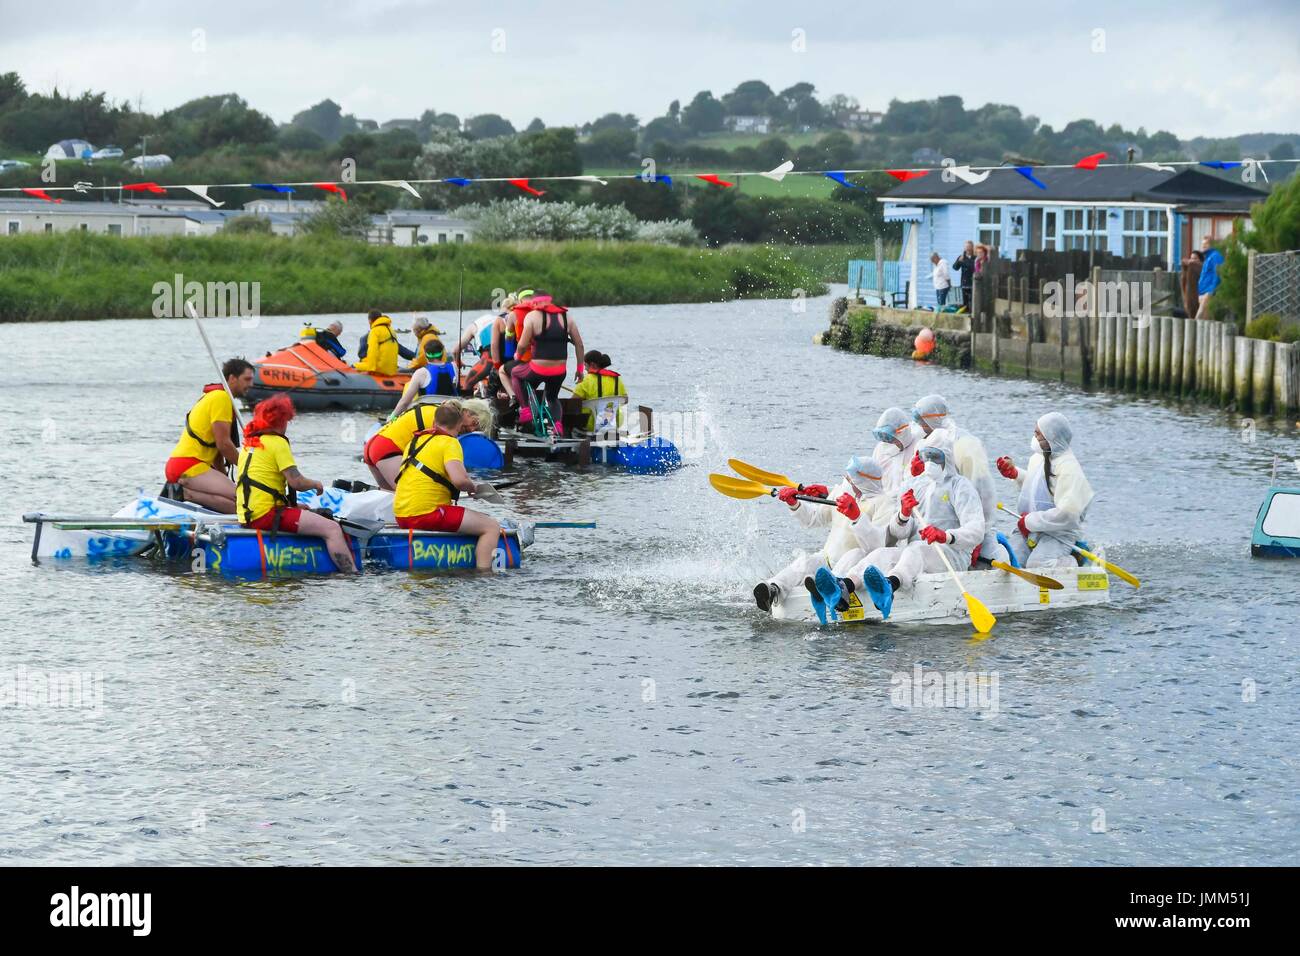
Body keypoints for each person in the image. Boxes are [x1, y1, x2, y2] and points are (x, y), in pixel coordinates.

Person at [824, 432, 985, 620]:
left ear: (947, 457)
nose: (930, 462)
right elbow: (900, 533)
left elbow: (976, 529)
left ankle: (889, 586)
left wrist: (946, 536)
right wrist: (904, 515)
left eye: (936, 457)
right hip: (915, 552)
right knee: (881, 554)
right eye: (927, 456)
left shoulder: (960, 486)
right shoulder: (919, 485)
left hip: (951, 554)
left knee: (916, 549)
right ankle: (845, 587)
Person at [751, 453, 892, 615]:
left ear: (863, 480)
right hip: (828, 558)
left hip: (855, 565)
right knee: (805, 562)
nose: (848, 481)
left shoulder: (884, 503)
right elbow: (813, 519)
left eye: (851, 479)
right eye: (848, 478)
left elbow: (878, 545)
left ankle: (834, 590)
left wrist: (856, 517)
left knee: (854, 553)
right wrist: (794, 504)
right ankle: (773, 589)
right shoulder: (841, 494)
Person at [235, 394, 356, 573]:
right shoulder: (277, 442)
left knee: (305, 510)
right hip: (266, 515)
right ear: (281, 420)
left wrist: (294, 506)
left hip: (247, 514)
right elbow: (296, 482)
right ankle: (351, 574)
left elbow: (264, 485)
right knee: (332, 528)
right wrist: (316, 484)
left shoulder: (250, 442)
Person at [392, 401, 502, 571]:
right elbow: (459, 480)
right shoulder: (450, 443)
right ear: (459, 424)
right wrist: (472, 486)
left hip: (401, 514)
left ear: (435, 422)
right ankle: (485, 575)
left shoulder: (414, 441)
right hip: (427, 514)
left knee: (462, 516)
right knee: (491, 526)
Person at [908, 394, 1006, 565]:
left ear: (934, 418)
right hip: (938, 526)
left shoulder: (965, 443)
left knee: (988, 562)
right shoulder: (925, 443)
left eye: (921, 419)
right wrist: (915, 475)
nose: (919, 425)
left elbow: (984, 493)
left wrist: (977, 540)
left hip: (971, 521)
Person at [995, 412, 1094, 569]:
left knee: (1038, 565)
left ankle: (1075, 560)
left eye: (1038, 433)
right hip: (1031, 527)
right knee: (1008, 562)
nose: (1034, 435)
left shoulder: (1069, 468)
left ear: (1051, 437)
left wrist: (1029, 521)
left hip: (1059, 532)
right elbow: (1038, 490)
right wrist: (1016, 474)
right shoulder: (1038, 458)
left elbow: (1068, 514)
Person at [163, 358, 255, 512]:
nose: (251, 385)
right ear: (232, 378)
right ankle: (185, 494)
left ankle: (184, 494)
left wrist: (224, 480)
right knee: (247, 499)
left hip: (183, 465)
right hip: (189, 465)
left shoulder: (214, 396)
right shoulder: (222, 398)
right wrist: (252, 468)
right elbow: (224, 445)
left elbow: (217, 453)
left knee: (237, 506)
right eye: (247, 379)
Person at [364, 397, 494, 490]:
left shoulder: (440, 411)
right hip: (388, 448)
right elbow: (434, 460)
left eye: (476, 430)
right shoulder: (445, 422)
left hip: (374, 445)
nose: (471, 430)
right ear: (467, 411)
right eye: (474, 423)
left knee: (392, 498)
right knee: (410, 496)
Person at [512, 291, 585, 435]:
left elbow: (522, 345)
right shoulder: (567, 317)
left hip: (537, 369)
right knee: (552, 397)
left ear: (535, 302)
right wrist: (580, 369)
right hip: (559, 371)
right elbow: (579, 345)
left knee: (516, 374)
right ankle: (557, 426)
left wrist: (517, 356)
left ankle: (526, 411)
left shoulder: (532, 317)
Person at [569, 350, 628, 434]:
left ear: (592, 364)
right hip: (615, 422)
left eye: (585, 365)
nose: (585, 369)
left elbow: (572, 403)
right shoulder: (616, 379)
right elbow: (625, 400)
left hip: (592, 424)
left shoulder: (586, 380)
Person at [392, 339, 459, 411]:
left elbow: (404, 402)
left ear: (425, 355)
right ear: (443, 354)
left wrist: (391, 418)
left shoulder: (421, 373)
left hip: (429, 413)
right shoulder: (454, 367)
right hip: (451, 412)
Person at [493, 289, 535, 403]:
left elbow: (494, 345)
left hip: (514, 358)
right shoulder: (538, 314)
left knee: (501, 372)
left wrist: (497, 366)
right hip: (537, 359)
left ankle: (513, 397)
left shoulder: (501, 319)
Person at [871, 406, 923, 495]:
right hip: (885, 503)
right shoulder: (881, 449)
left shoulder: (918, 445)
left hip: (910, 500)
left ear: (903, 432)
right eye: (886, 439)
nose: (891, 443)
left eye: (892, 438)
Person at [356, 310, 416, 374]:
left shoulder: (368, 335)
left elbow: (363, 355)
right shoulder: (391, 332)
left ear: (370, 321)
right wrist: (416, 357)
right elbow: (402, 350)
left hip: (377, 368)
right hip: (392, 369)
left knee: (354, 366)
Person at [1195, 238, 1224, 319]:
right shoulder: (1207, 258)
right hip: (1202, 292)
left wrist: (1211, 291)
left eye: (1206, 244)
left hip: (1208, 292)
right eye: (1202, 244)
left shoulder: (1216, 256)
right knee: (1207, 320)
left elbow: (1218, 274)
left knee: (1199, 317)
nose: (1203, 246)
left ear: (1212, 245)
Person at [952, 241, 977, 310]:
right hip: (964, 282)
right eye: (966, 247)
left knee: (972, 302)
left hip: (973, 282)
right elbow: (955, 268)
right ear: (964, 248)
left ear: (972, 247)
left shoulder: (975, 257)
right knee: (964, 302)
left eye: (969, 247)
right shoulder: (961, 257)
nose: (967, 248)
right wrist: (959, 261)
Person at [1180, 249, 1204, 318]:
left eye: (1195, 259)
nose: (1192, 261)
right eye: (1191, 258)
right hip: (1189, 302)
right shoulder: (1187, 272)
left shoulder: (1203, 270)